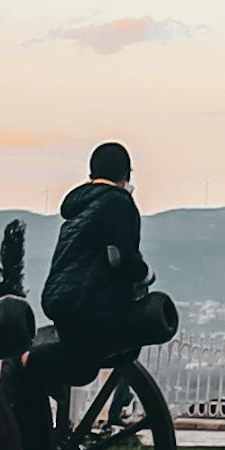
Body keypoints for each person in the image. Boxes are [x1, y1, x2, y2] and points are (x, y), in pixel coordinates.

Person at [42, 143, 152, 378]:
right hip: (90, 301)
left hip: (64, 297)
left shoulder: (81, 204)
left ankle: (30, 387)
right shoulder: (118, 202)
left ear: (91, 175)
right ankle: (23, 362)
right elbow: (118, 256)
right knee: (83, 368)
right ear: (127, 174)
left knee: (81, 364)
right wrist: (144, 274)